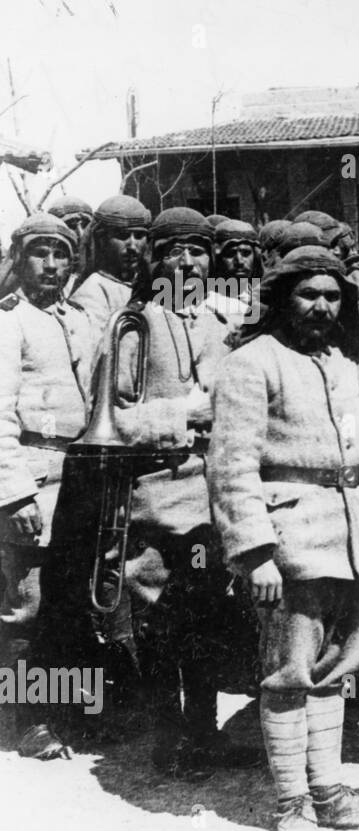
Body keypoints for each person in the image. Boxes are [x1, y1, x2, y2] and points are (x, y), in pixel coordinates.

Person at [209, 245, 359, 831]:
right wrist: (255, 552)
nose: (321, 306)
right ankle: (291, 803)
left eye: (332, 296)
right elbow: (232, 467)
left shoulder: (348, 367)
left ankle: (328, 791)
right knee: (287, 674)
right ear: (281, 301)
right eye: (308, 295)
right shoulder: (251, 363)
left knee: (336, 671)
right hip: (293, 543)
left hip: (358, 537)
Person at [88, 207, 260, 776]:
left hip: (210, 493)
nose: (187, 262)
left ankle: (205, 735)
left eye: (197, 251)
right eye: (174, 251)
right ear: (155, 260)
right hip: (156, 489)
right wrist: (186, 411)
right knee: (161, 622)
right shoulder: (132, 323)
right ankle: (169, 740)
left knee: (207, 618)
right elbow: (114, 419)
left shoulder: (218, 325)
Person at [0, 215, 93, 668]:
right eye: (40, 253)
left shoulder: (77, 319)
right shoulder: (8, 321)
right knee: (25, 607)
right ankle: (26, 724)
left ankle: (67, 715)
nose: (52, 265)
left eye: (61, 255)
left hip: (79, 485)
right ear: (19, 259)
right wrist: (15, 495)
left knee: (70, 604)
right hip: (33, 485)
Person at [67, 196, 152, 330]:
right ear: (102, 240)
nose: (133, 246)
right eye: (123, 236)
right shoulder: (92, 292)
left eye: (139, 236)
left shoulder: (146, 285)